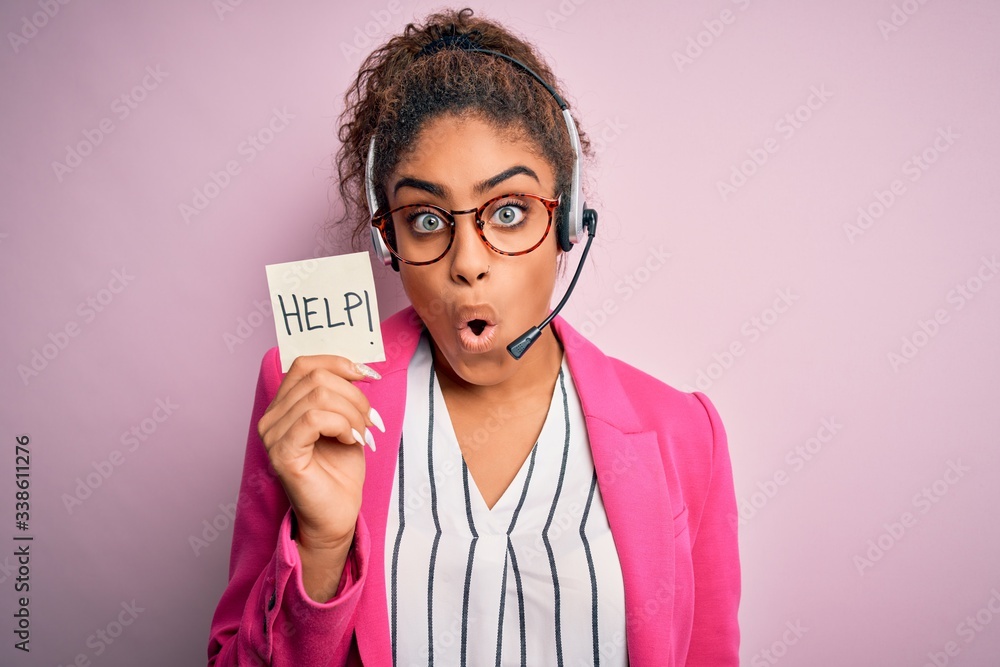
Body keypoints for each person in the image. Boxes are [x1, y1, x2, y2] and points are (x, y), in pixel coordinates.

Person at [207, 7, 740, 666]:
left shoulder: (685, 434)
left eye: (509, 212)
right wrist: (320, 547)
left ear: (569, 217)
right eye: (427, 219)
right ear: (388, 240)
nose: (467, 261)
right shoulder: (312, 396)